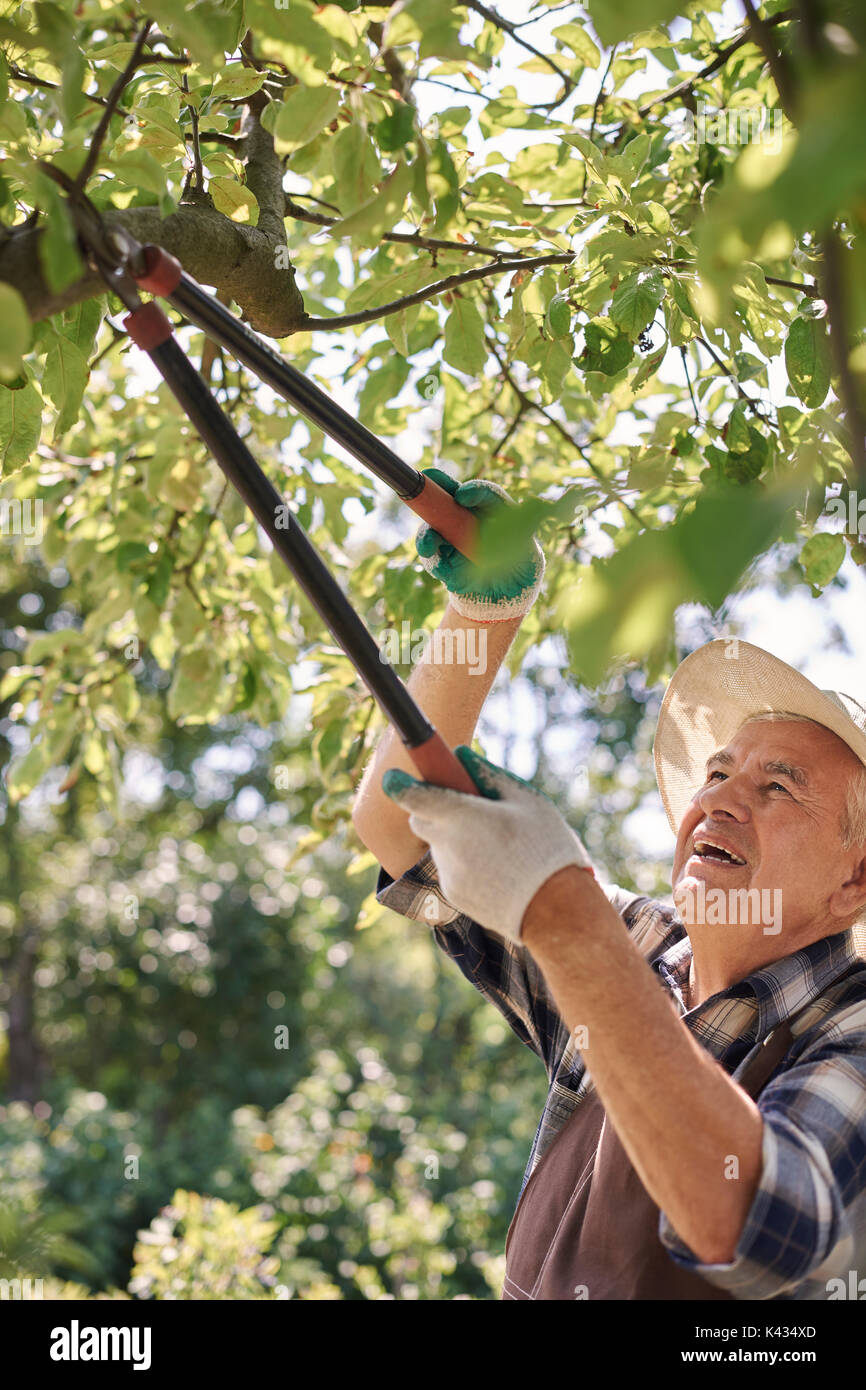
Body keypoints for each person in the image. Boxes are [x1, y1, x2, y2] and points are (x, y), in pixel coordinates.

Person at [351, 472, 866, 1301]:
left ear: (856, 883)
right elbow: (400, 835)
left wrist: (565, 920)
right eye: (719, 771)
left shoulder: (853, 1024)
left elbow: (767, 1228)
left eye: (778, 787)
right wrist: (477, 624)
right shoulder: (642, 945)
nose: (723, 799)